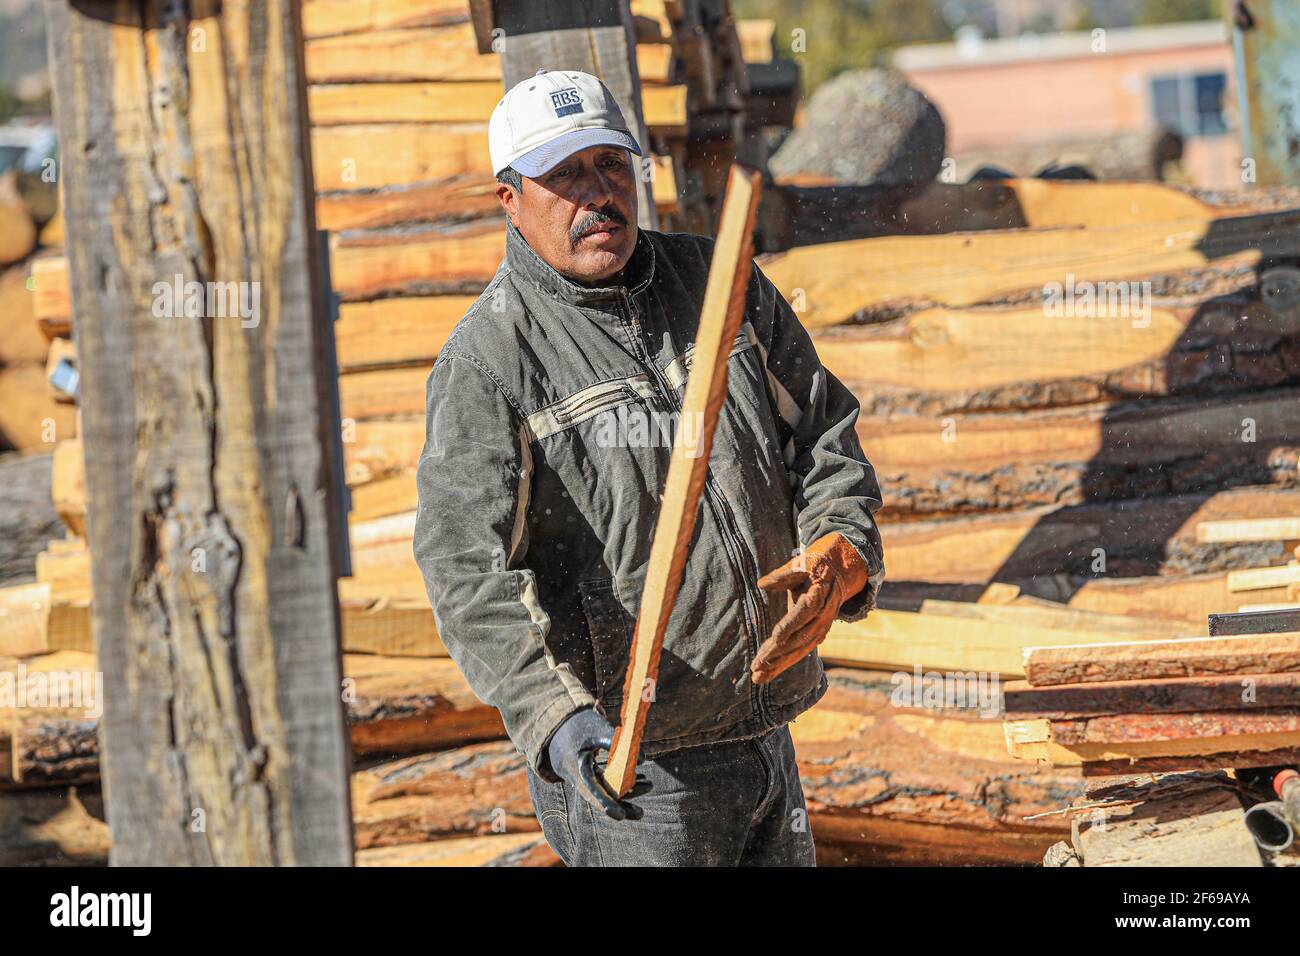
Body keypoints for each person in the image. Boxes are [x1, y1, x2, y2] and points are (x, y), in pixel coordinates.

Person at [413, 68, 885, 866]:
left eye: (611, 165)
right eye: (563, 175)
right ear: (510, 199)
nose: (597, 194)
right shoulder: (489, 361)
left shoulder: (717, 283)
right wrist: (553, 717)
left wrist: (842, 545)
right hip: (636, 778)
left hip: (765, 729)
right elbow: (463, 568)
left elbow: (823, 429)